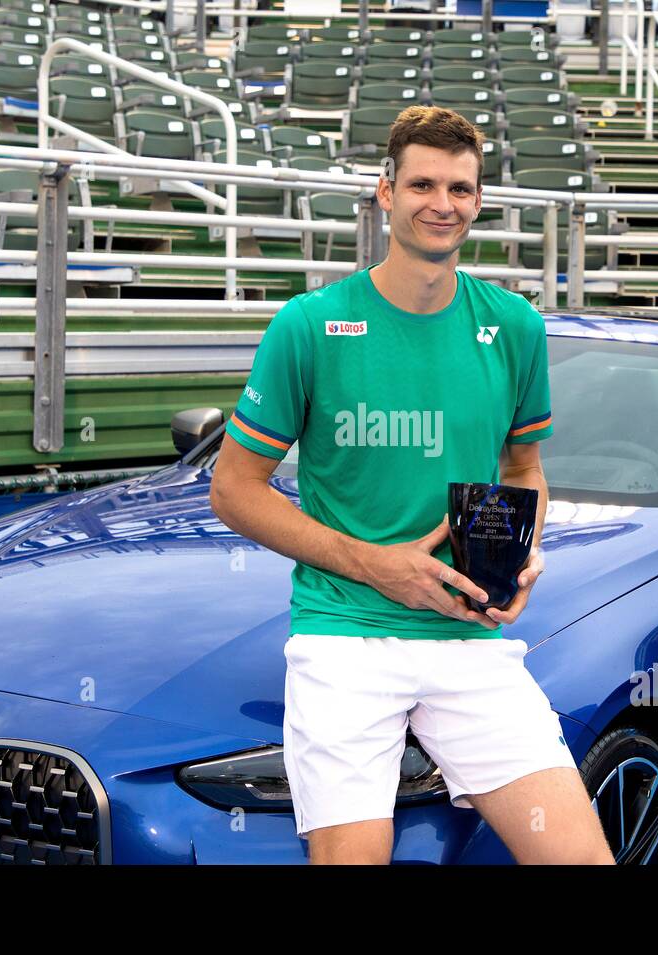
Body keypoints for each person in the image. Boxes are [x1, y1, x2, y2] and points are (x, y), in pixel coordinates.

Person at [209, 105, 616, 865]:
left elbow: (522, 468)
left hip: (470, 637)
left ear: (479, 200)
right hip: (345, 635)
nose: (443, 202)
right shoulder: (309, 325)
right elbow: (235, 490)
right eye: (423, 183)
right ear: (385, 193)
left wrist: (521, 553)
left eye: (460, 187)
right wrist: (378, 564)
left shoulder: (515, 326)